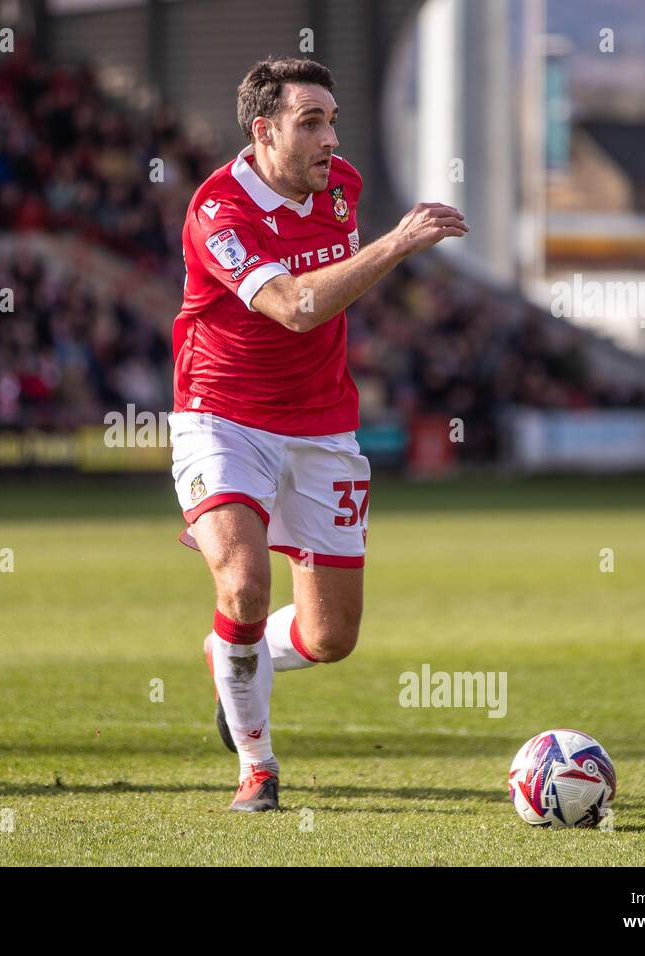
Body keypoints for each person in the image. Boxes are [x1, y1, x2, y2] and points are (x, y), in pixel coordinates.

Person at [171, 57, 467, 810]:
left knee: (330, 636)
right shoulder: (218, 211)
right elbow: (297, 306)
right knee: (242, 585)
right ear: (263, 131)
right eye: (311, 123)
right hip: (223, 415)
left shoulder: (343, 188)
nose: (330, 138)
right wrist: (396, 246)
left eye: (332, 120)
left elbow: (334, 293)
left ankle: (229, 652)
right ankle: (258, 766)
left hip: (323, 424)